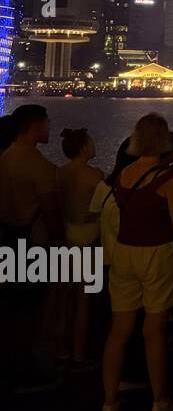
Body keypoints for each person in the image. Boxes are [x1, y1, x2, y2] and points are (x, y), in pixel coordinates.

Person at [101, 113, 173, 411]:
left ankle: (109, 405)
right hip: (157, 253)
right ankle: (160, 401)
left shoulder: (124, 174)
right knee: (155, 330)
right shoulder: (167, 177)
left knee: (119, 330)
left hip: (124, 252)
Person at [0, 104, 64, 393]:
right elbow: (51, 210)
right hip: (32, 242)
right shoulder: (37, 164)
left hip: (6, 238)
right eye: (46, 123)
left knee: (10, 307)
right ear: (35, 126)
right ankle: (23, 369)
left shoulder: (5, 158)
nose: (49, 128)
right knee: (29, 310)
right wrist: (58, 239)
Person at [55, 128, 103, 370]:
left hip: (67, 233)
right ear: (84, 147)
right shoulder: (95, 176)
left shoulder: (60, 173)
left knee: (65, 296)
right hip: (88, 236)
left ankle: (61, 349)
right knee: (84, 299)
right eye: (92, 141)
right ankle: (79, 353)